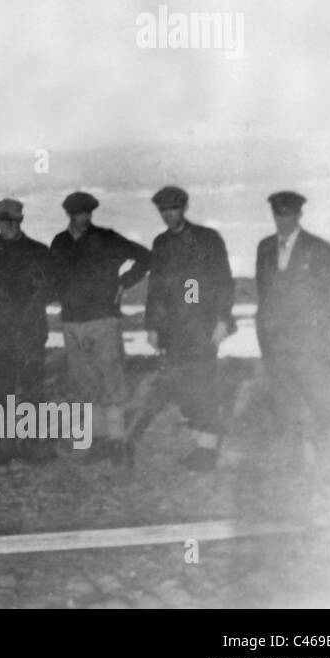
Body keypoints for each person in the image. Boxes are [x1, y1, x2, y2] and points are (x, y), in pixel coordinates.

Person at [132, 186, 237, 471]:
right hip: (174, 331)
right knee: (186, 392)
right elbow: (155, 288)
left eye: (174, 209)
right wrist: (152, 326)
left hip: (202, 328)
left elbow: (224, 281)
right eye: (164, 210)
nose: (169, 215)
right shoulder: (161, 243)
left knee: (204, 388)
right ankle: (202, 448)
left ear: (185, 208)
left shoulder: (207, 239)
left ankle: (207, 452)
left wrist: (222, 320)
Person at [49, 191, 151, 464]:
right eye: (78, 214)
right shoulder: (59, 242)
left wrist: (123, 283)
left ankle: (117, 441)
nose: (83, 218)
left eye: (87, 213)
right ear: (69, 215)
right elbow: (51, 276)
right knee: (84, 380)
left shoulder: (107, 238)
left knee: (110, 377)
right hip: (71, 321)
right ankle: (95, 439)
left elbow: (145, 257)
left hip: (103, 319)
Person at [254, 191, 330, 471]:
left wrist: (316, 328)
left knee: (327, 402)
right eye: (278, 214)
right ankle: (293, 465)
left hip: (310, 346)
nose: (283, 220)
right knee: (284, 406)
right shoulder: (265, 248)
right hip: (276, 346)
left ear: (298, 215)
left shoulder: (319, 248)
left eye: (288, 214)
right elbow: (264, 293)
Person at [0, 198, 55, 465]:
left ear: (21, 221)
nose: (8, 226)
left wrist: (35, 298)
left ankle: (33, 447)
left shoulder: (39, 251)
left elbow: (54, 287)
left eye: (13, 221)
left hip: (30, 332)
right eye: (4, 221)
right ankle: (1, 450)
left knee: (32, 390)